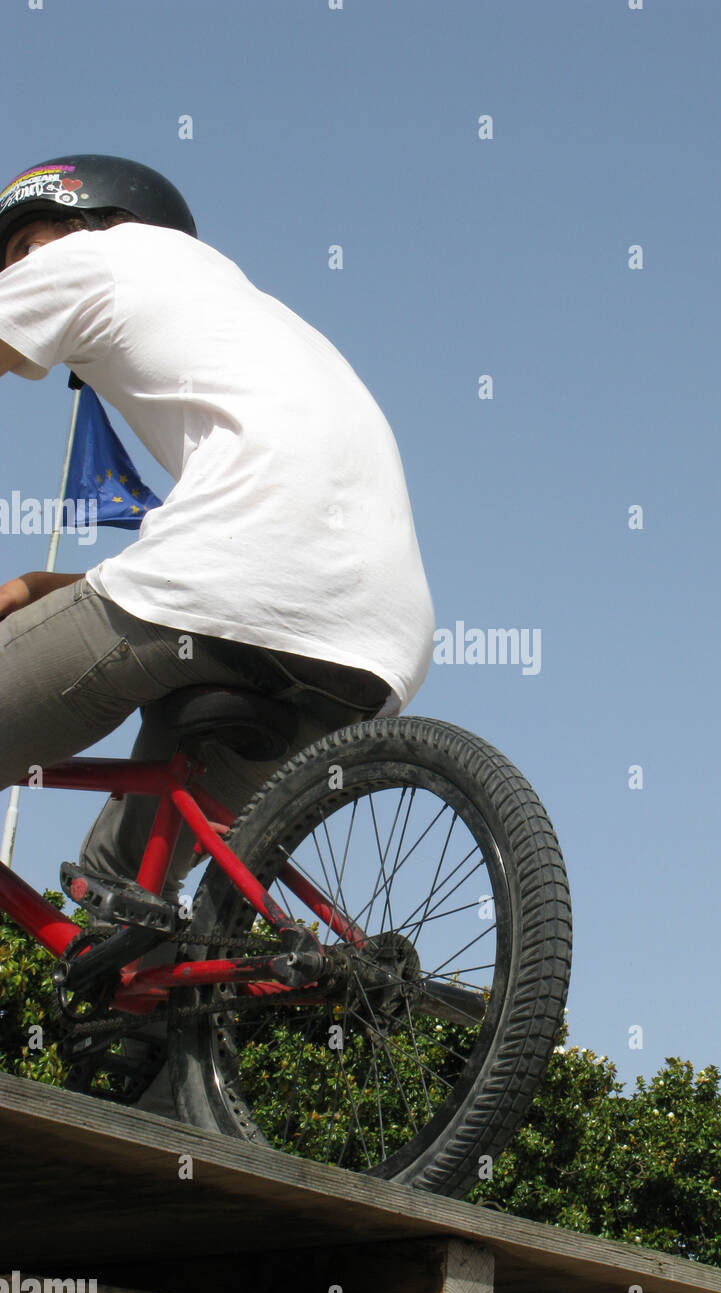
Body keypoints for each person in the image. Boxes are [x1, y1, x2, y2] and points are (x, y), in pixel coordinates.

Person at [0, 154, 436, 909]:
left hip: (225, 593)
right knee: (120, 905)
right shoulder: (260, 315)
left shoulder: (86, 257)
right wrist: (47, 589)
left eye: (17, 248)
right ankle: (143, 1003)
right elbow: (255, 546)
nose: (15, 273)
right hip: (373, 651)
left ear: (85, 219)